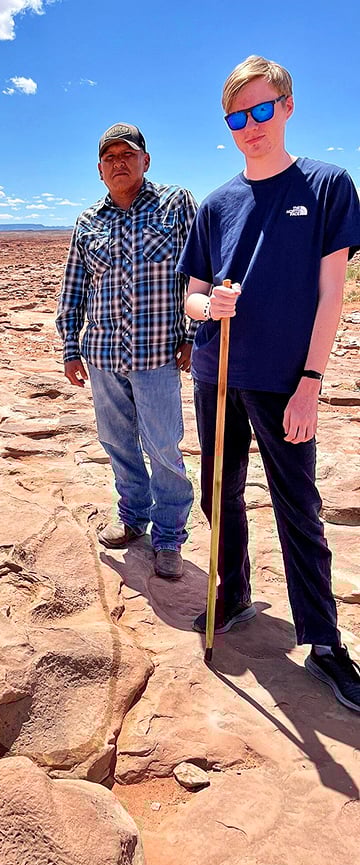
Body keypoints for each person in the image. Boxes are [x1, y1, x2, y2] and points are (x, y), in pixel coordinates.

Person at [178, 55, 360, 711]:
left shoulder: (327, 185)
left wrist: (312, 380)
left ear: (286, 106)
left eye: (260, 110)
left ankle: (325, 642)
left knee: (298, 508)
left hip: (286, 379)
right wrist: (208, 309)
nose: (249, 126)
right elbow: (192, 299)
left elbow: (331, 293)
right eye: (236, 116)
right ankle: (233, 592)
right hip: (217, 371)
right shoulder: (215, 204)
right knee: (218, 493)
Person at [56, 122, 196, 579]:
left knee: (163, 446)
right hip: (101, 355)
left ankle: (170, 537)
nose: (119, 163)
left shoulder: (174, 204)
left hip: (157, 353)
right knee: (117, 442)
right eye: (110, 158)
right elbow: (73, 289)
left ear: (145, 161)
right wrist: (70, 348)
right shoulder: (87, 222)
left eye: (127, 154)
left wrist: (193, 335)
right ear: (100, 170)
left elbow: (200, 270)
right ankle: (133, 519)